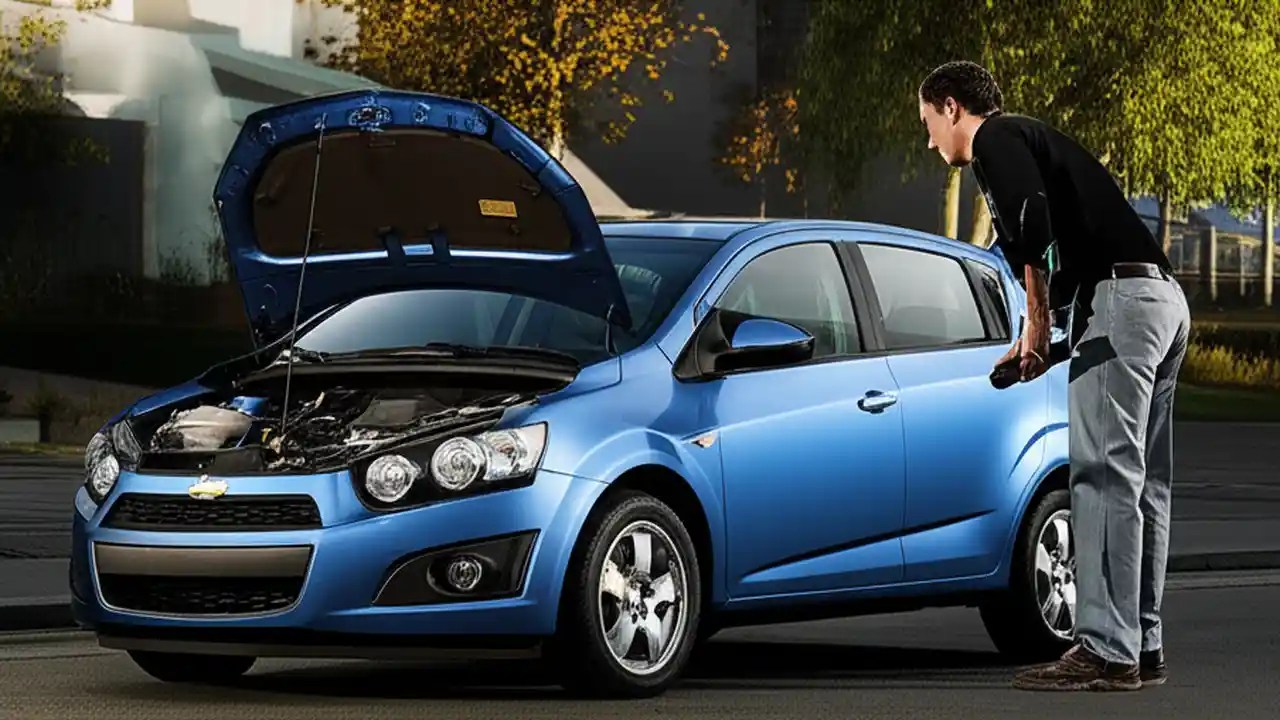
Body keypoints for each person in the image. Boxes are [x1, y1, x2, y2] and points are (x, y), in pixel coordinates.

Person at [916, 60, 1191, 691]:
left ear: (952, 107)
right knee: (1143, 485)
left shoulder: (996, 139)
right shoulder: (1030, 141)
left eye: (928, 121)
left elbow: (1033, 219)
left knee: (1099, 479)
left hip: (1120, 302)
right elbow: (1051, 235)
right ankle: (1141, 645)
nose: (929, 139)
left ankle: (1104, 650)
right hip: (1160, 300)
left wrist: (1036, 326)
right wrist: (1038, 341)